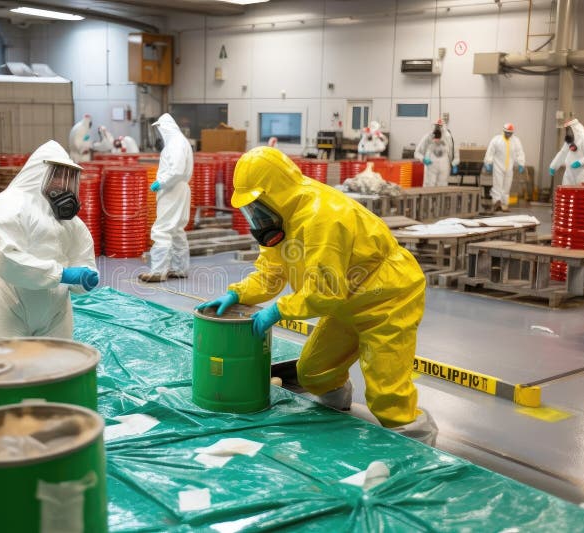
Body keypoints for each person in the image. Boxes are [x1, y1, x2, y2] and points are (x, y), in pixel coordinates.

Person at [196, 147, 437, 446]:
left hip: (387, 297)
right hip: (346, 302)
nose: (254, 213)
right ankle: (337, 419)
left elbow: (325, 291)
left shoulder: (323, 217)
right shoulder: (278, 219)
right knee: (313, 373)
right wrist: (236, 294)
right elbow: (270, 273)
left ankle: (422, 455)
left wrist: (278, 310)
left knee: (387, 394)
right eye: (249, 207)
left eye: (257, 203)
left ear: (276, 193)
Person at [0, 140, 99, 342]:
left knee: (57, 367)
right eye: (57, 175)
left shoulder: (71, 223)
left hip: (56, 310)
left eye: (68, 177)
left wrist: (85, 280)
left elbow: (82, 256)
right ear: (39, 172)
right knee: (2, 367)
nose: (64, 183)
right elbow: (4, 257)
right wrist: (61, 274)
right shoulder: (7, 206)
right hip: (7, 302)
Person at [138, 113, 193, 282]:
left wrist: (160, 182)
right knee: (176, 229)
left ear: (165, 128)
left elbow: (176, 170)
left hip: (172, 188)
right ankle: (179, 268)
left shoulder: (175, 143)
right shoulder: (181, 141)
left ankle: (158, 271)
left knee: (162, 228)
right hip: (180, 188)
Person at [484, 123, 526, 212]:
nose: (508, 134)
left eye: (510, 133)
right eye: (507, 132)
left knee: (507, 186)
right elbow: (490, 152)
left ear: (512, 133)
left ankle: (504, 205)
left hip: (509, 168)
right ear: (503, 131)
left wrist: (521, 163)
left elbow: (520, 152)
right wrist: (488, 162)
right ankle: (496, 203)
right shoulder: (496, 140)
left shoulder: (516, 141)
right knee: (497, 185)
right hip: (498, 167)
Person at [549, 118, 584, 186]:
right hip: (569, 174)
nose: (567, 132)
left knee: (581, 194)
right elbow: (563, 153)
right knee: (567, 193)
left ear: (575, 129)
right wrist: (553, 166)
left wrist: (580, 162)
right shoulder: (569, 141)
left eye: (568, 129)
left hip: (583, 174)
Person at [414, 119, 459, 187]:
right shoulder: (427, 137)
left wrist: (454, 163)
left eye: (440, 126)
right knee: (429, 187)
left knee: (442, 188)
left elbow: (455, 152)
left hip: (444, 168)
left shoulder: (449, 139)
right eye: (436, 126)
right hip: (430, 167)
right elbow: (417, 153)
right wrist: (423, 159)